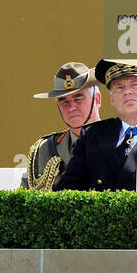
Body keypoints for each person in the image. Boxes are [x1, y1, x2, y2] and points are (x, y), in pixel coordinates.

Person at [54, 60, 137, 191]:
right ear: (111, 98)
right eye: (119, 88)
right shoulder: (91, 136)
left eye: (134, 85)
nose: (127, 92)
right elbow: (66, 192)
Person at [24, 62, 103, 190]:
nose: (71, 107)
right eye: (63, 101)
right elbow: (24, 202)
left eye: (78, 98)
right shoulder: (44, 150)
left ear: (97, 100)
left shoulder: (119, 144)